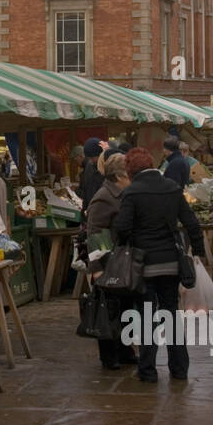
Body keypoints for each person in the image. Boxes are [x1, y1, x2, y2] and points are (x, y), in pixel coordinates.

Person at [114, 146, 205, 383]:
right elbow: (191, 224)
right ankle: (179, 368)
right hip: (171, 262)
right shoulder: (172, 188)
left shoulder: (131, 193)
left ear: (131, 170)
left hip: (143, 264)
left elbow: (122, 228)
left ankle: (148, 370)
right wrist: (200, 253)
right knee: (171, 313)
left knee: (146, 316)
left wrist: (127, 243)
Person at [86, 153, 137, 371]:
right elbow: (94, 233)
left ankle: (125, 350)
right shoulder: (104, 197)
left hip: (123, 260)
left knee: (125, 307)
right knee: (109, 309)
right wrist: (97, 267)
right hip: (109, 262)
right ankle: (109, 355)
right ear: (119, 176)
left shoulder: (123, 194)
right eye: (129, 174)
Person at [78, 137, 104, 210]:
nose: (90, 160)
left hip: (102, 211)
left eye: (92, 157)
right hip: (91, 209)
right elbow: (86, 189)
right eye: (89, 157)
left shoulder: (107, 169)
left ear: (100, 154)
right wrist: (84, 209)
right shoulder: (89, 167)